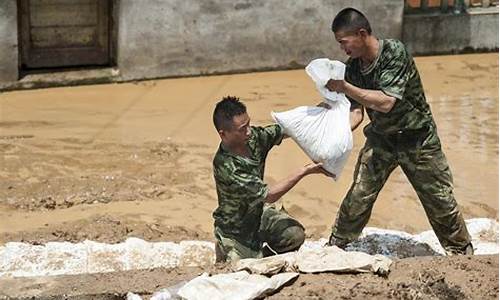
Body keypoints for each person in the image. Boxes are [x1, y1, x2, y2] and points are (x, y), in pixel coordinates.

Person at [324, 7, 473, 255]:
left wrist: (346, 87)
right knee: (359, 195)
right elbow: (357, 112)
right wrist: (334, 134)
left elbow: (385, 101)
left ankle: (461, 251)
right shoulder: (352, 69)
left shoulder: (394, 52)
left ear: (361, 34)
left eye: (344, 42)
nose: (343, 49)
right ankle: (336, 245)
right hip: (382, 139)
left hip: (417, 139)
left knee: (438, 198)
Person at [212, 96, 331, 262]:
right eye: (242, 129)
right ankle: (227, 247)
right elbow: (269, 195)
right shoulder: (227, 165)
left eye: (248, 124)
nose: (248, 131)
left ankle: (264, 254)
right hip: (236, 230)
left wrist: (318, 112)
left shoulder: (253, 138)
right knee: (243, 270)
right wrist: (304, 171)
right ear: (223, 134)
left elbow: (284, 129)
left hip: (259, 213)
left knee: (294, 235)